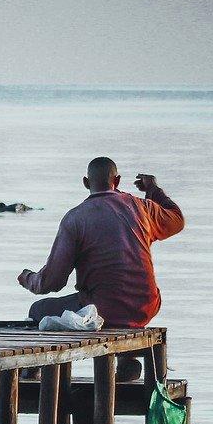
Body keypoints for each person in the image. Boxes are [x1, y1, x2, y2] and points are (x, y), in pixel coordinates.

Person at [18, 157, 184, 381]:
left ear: (86, 183)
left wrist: (29, 278)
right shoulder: (142, 208)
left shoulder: (75, 218)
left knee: (37, 311)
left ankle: (34, 370)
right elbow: (176, 220)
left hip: (103, 308)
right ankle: (127, 359)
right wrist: (154, 190)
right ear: (117, 180)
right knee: (114, 309)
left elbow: (52, 282)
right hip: (146, 305)